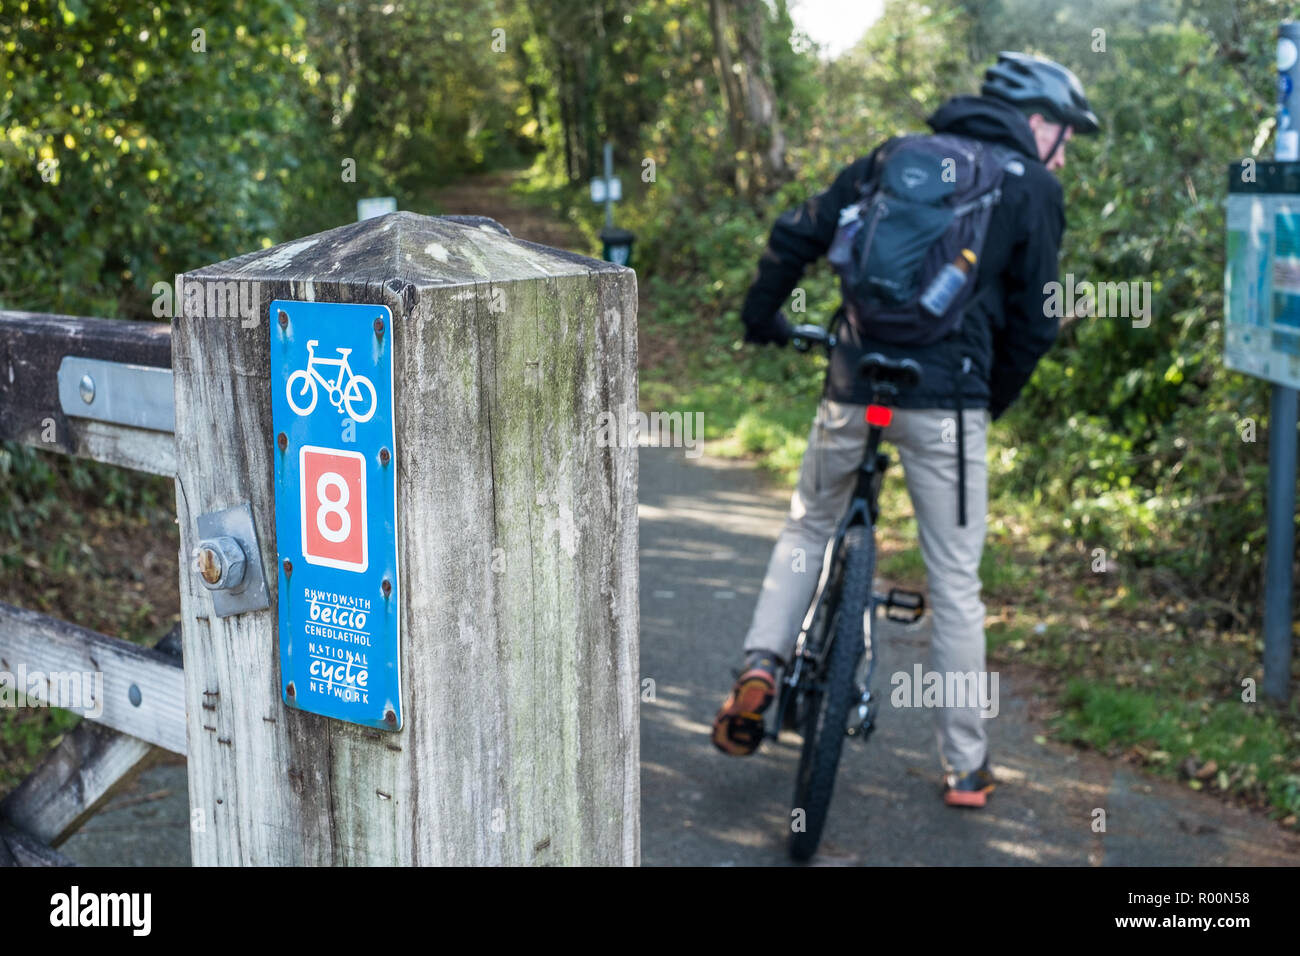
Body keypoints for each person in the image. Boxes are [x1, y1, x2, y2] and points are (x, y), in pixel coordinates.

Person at [711, 52, 1100, 808]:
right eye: (1068, 133)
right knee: (954, 581)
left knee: (807, 528)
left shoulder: (892, 158)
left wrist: (761, 319)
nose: (1067, 149)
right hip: (947, 404)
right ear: (1040, 122)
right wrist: (988, 404)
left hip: (854, 383)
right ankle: (965, 766)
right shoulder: (1033, 188)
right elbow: (1036, 323)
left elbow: (797, 233)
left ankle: (761, 664)